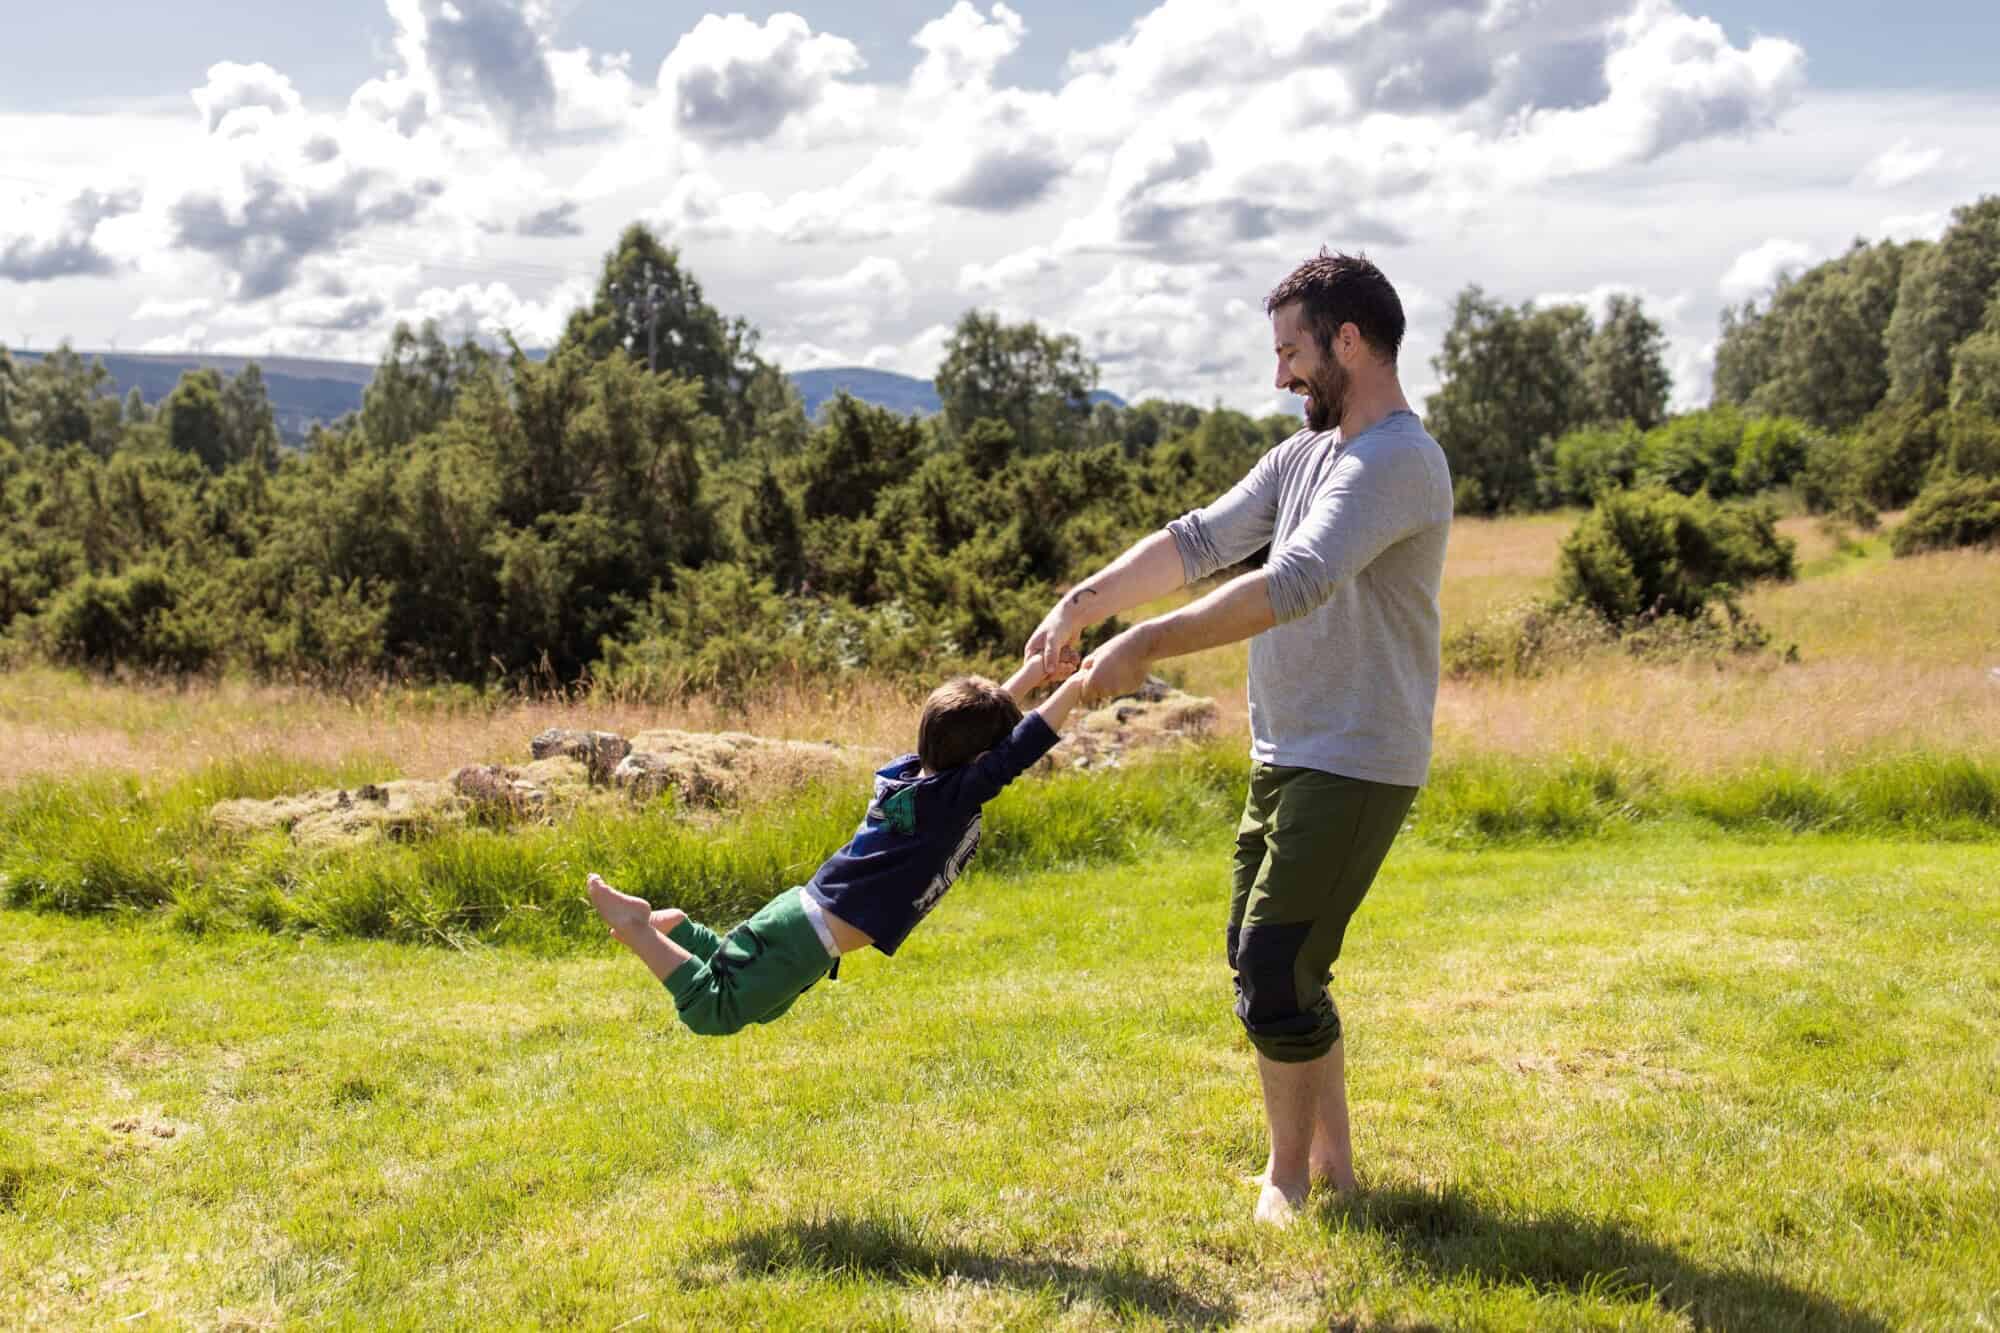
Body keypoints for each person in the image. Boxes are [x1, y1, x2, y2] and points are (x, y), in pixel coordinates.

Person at [1028, 249, 1453, 1225]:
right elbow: (1198, 539)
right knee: (1269, 957)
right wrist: (1083, 604)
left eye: (1291, 353)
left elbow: (1297, 579)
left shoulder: (1397, 460)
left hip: (1355, 755)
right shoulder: (1303, 456)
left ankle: (1286, 1178)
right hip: (1287, 749)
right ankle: (1336, 1168)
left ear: (1349, 341)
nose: (1279, 376)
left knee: (1273, 963)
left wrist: (1146, 643)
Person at [587, 653, 1087, 1035]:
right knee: (714, 1012)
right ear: (979, 760)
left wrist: (1032, 674)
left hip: (805, 918)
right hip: (812, 932)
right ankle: (638, 929)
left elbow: (982, 733)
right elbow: (1015, 751)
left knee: (762, 1002)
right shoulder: (946, 800)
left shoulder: (917, 779)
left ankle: (683, 932)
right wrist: (1078, 684)